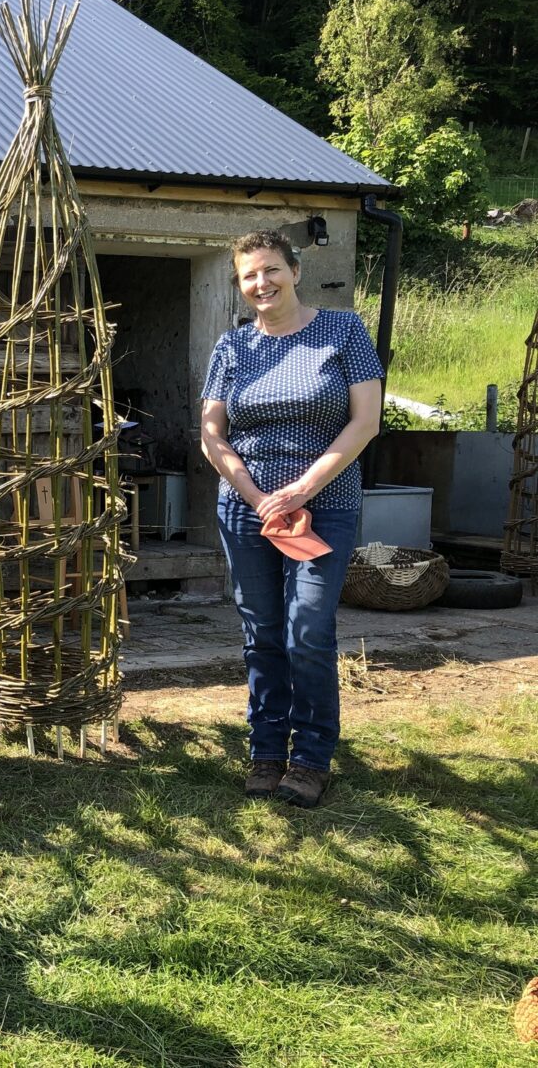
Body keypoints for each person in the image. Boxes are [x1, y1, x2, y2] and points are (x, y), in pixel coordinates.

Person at [199, 229, 383, 808]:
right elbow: (212, 433)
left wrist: (302, 488)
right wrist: (257, 497)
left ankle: (311, 757)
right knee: (262, 631)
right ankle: (267, 749)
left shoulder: (344, 331)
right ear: (240, 284)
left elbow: (366, 421)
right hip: (248, 507)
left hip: (324, 504)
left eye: (271, 269)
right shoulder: (232, 347)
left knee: (307, 628)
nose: (262, 282)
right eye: (249, 275)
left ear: (295, 271)